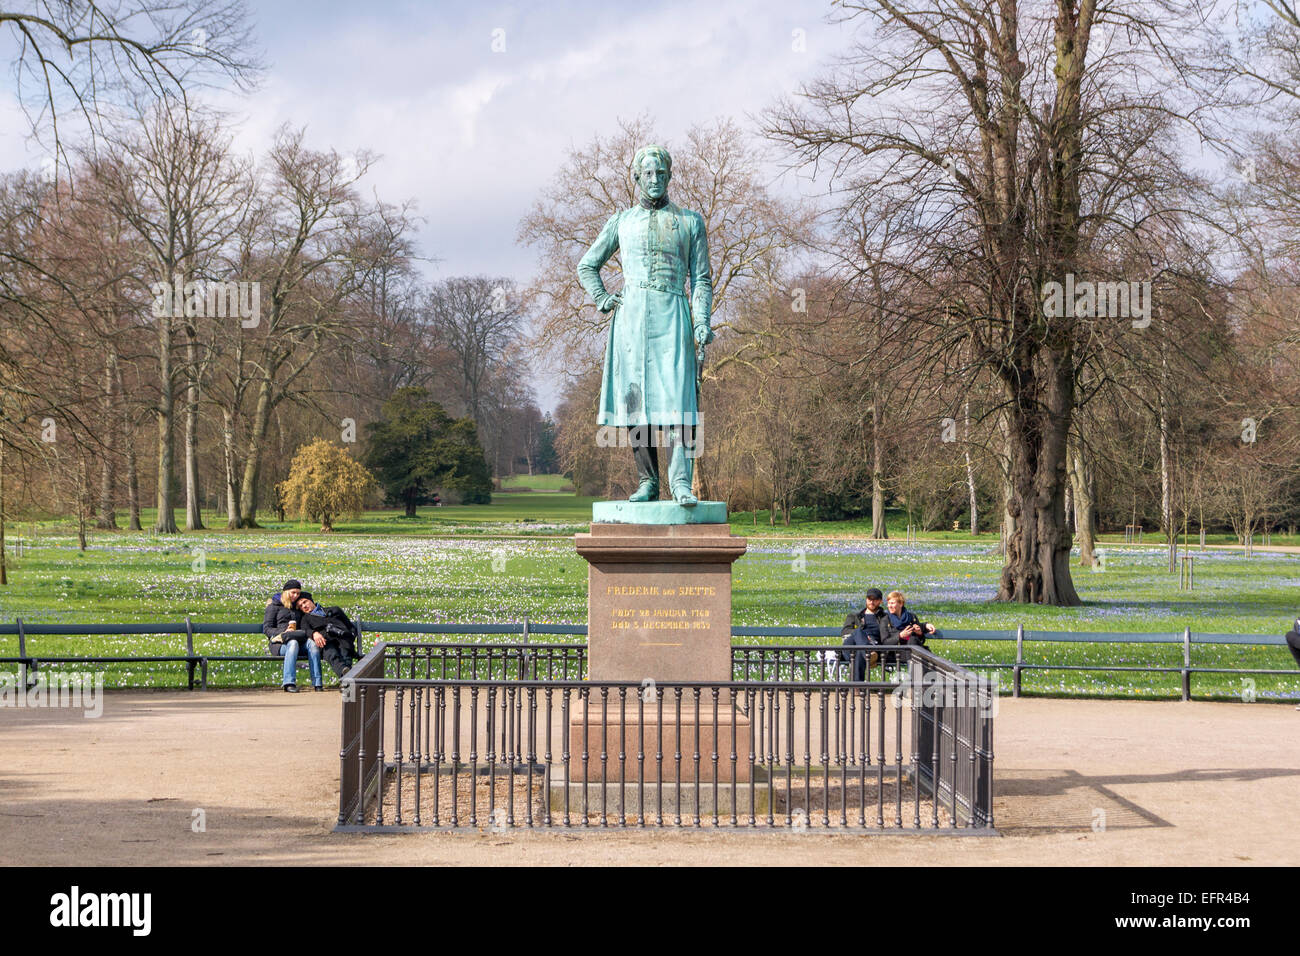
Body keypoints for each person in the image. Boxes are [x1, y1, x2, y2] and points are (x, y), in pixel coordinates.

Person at [578, 143, 714, 506]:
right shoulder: (622, 221)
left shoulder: (690, 222)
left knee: (679, 399)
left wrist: (702, 321)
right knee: (636, 402)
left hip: (674, 313)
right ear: (637, 177)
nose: (654, 179)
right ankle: (647, 481)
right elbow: (587, 265)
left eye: (661, 173)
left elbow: (700, 279)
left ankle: (681, 482)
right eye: (647, 173)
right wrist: (603, 299)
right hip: (632, 319)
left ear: (670, 176)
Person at [262, 578, 323, 692]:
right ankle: (289, 683)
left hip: (300, 641)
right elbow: (267, 629)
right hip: (280, 643)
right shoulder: (274, 606)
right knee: (293, 643)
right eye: (293, 592)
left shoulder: (298, 607)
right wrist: (283, 632)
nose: (296, 596)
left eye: (298, 593)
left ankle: (317, 683)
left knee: (312, 644)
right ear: (286, 592)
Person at [294, 593, 362, 679]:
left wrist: (349, 636)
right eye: (300, 606)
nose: (304, 606)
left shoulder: (334, 610)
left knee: (345, 654)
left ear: (311, 601)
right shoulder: (305, 619)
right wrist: (314, 633)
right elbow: (305, 630)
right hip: (326, 643)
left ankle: (346, 680)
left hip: (343, 640)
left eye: (305, 602)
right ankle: (346, 676)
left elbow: (351, 627)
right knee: (332, 654)